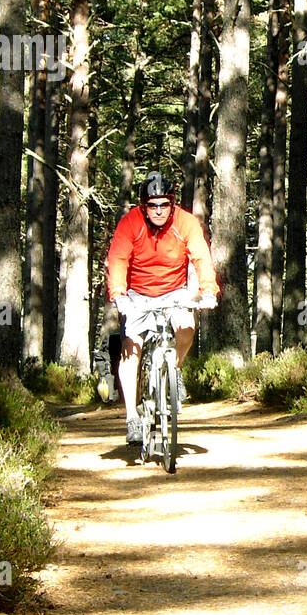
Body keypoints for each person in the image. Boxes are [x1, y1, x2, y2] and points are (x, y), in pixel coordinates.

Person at [105, 172, 219, 445]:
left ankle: (173, 370)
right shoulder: (130, 222)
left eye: (164, 204)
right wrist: (119, 294)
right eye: (153, 205)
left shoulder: (185, 222)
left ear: (172, 203)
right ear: (143, 206)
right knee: (131, 349)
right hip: (138, 293)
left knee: (187, 326)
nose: (159, 210)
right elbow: (117, 258)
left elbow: (201, 256)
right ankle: (132, 418)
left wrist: (208, 290)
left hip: (174, 290)